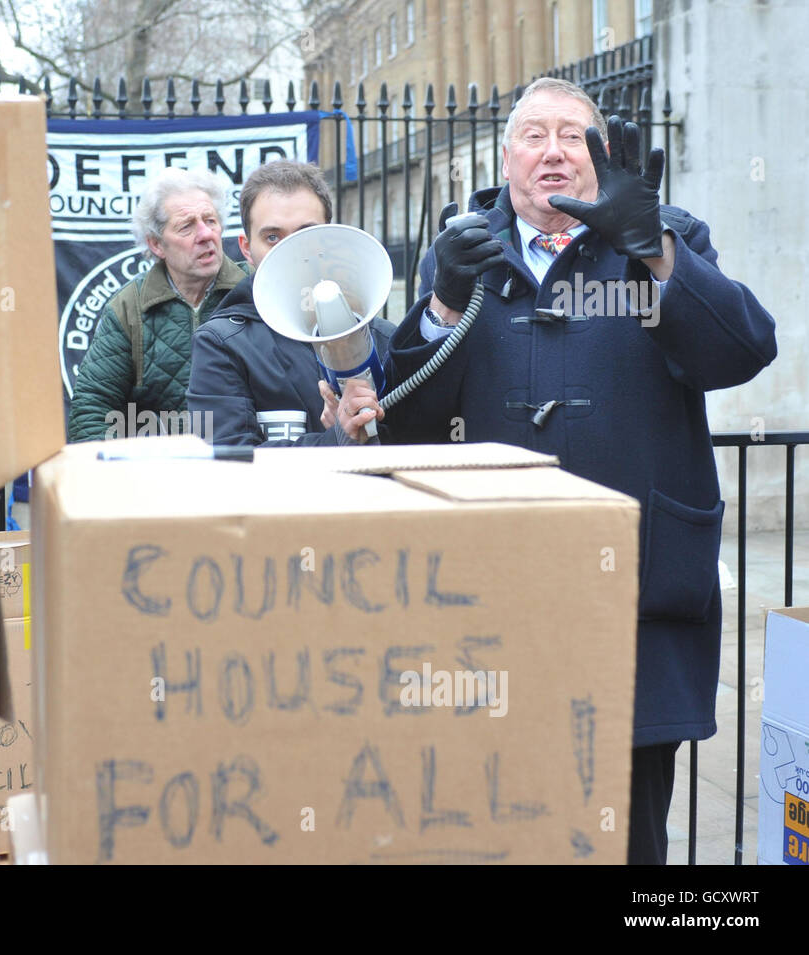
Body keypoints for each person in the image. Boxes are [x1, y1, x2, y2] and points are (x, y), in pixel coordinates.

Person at [376, 77, 777, 864]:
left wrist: (653, 247)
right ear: (505, 157)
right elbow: (408, 419)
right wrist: (444, 306)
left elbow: (740, 349)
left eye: (572, 135)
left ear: (600, 156)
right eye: (534, 135)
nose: (553, 152)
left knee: (624, 835)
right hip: (487, 606)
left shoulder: (668, 234)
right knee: (495, 830)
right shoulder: (461, 253)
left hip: (634, 597)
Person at [186, 160, 396, 446]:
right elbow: (228, 461)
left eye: (305, 233)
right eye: (273, 237)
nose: (291, 250)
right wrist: (336, 440)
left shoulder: (384, 339)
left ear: (329, 236)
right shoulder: (221, 345)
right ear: (247, 249)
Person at [67, 167, 248, 442]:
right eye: (187, 226)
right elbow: (90, 410)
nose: (205, 234)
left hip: (246, 465)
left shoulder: (254, 290)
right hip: (159, 472)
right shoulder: (129, 308)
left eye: (210, 221)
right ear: (156, 244)